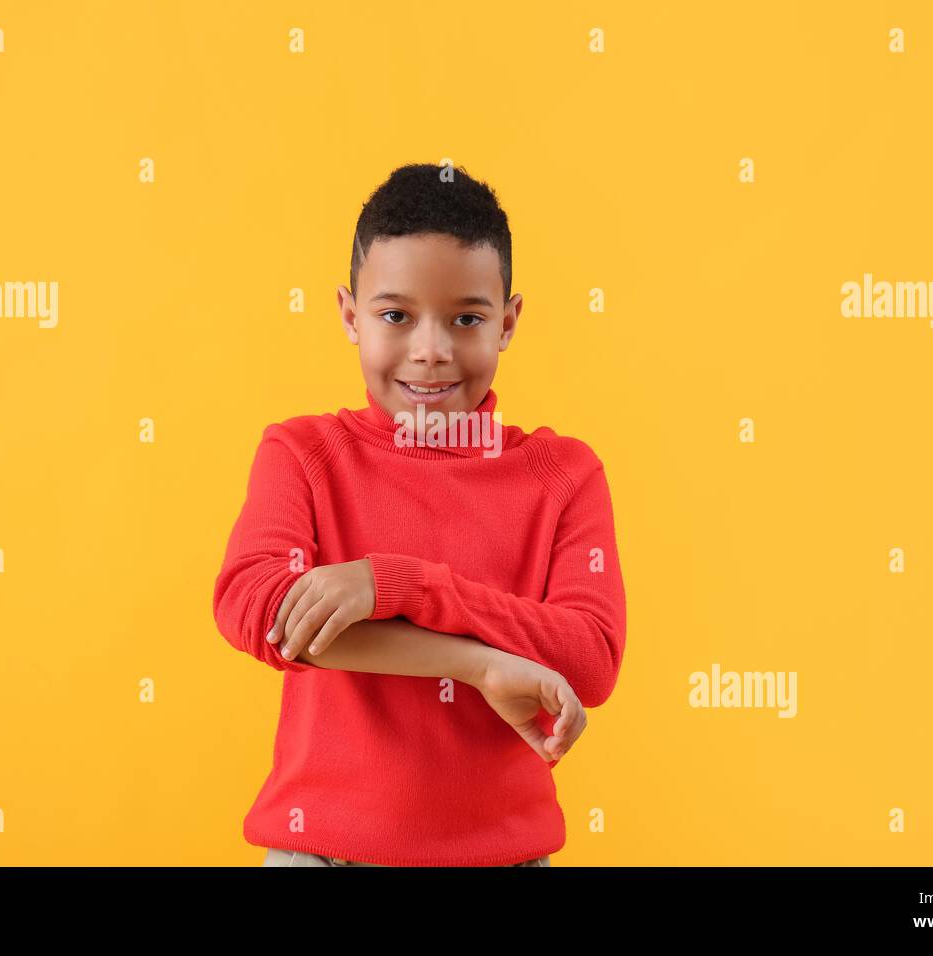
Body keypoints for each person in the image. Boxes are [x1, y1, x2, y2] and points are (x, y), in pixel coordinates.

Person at [212, 162, 627, 867]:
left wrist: (398, 585)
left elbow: (589, 656)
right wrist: (477, 666)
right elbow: (264, 613)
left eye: (467, 318)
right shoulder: (304, 454)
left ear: (509, 322)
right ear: (350, 315)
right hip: (321, 857)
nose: (430, 351)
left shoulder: (564, 475)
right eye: (395, 315)